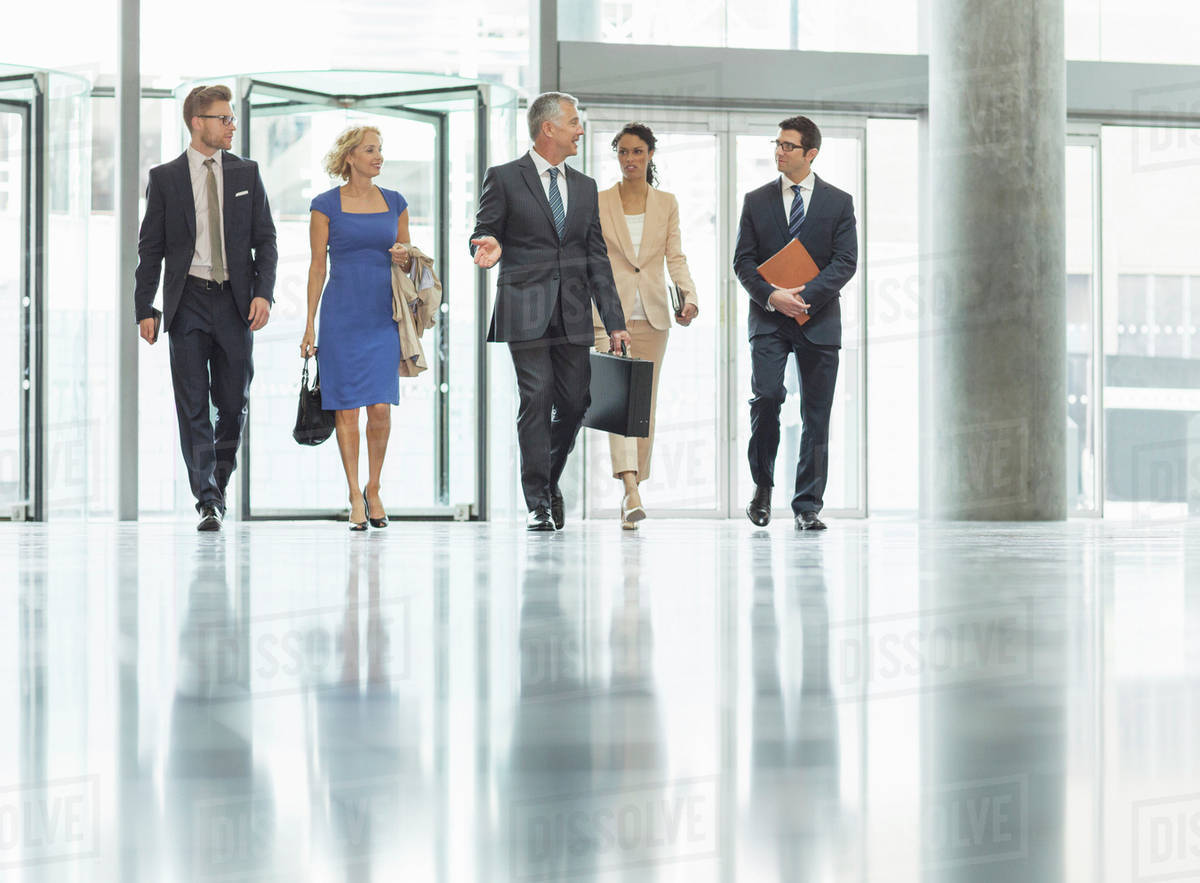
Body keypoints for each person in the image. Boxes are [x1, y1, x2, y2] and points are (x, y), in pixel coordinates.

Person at [470, 92, 631, 532]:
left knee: (577, 404)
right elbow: (485, 230)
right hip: (525, 308)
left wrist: (614, 321)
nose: (580, 130)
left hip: (575, 313)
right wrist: (486, 244)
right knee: (536, 399)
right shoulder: (503, 178)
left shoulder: (584, 186)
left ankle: (549, 478)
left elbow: (597, 257)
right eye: (574, 122)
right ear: (549, 129)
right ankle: (538, 501)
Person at [134, 84, 277, 531]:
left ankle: (217, 479)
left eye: (232, 118)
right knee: (193, 403)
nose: (232, 125)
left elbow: (266, 241)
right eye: (224, 118)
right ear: (199, 123)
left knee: (232, 404)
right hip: (188, 301)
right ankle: (208, 499)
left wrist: (263, 292)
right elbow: (150, 249)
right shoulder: (165, 178)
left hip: (236, 302)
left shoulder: (246, 174)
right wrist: (145, 308)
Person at [733, 115, 857, 531]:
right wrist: (772, 296)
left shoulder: (839, 202)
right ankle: (762, 487)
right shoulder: (756, 200)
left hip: (819, 320)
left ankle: (808, 505)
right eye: (778, 144)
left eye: (788, 146)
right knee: (767, 397)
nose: (779, 151)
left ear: (811, 153)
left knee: (816, 413)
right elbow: (743, 262)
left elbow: (845, 262)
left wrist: (804, 296)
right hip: (769, 319)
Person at [300, 126, 415, 531]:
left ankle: (374, 487)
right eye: (370, 150)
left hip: (383, 314)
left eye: (380, 149)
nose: (378, 156)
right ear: (350, 156)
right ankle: (353, 494)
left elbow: (408, 260)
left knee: (380, 406)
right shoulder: (325, 204)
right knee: (346, 408)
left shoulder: (396, 202)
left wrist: (404, 256)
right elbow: (317, 266)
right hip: (341, 316)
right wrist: (309, 324)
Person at [593, 123, 698, 530]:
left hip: (653, 316)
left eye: (637, 151)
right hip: (608, 317)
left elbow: (675, 257)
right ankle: (632, 490)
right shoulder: (599, 202)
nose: (630, 159)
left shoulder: (666, 203)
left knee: (643, 407)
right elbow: (594, 259)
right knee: (616, 405)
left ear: (650, 154)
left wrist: (689, 296)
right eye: (622, 152)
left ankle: (632, 488)